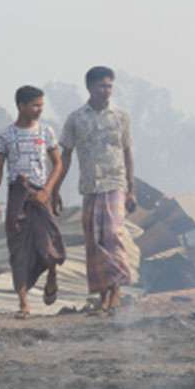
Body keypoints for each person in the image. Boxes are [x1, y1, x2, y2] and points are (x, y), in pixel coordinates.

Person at [51, 65, 135, 314]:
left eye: (109, 86)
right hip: (89, 187)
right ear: (89, 88)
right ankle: (103, 295)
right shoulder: (76, 118)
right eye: (101, 85)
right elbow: (64, 155)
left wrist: (132, 188)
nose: (106, 90)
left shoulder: (120, 117)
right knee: (94, 241)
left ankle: (116, 291)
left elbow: (128, 151)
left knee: (112, 235)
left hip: (115, 184)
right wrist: (54, 187)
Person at [0, 85, 66, 318]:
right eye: (34, 105)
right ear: (21, 106)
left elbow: (58, 164)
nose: (39, 110)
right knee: (18, 248)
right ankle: (23, 303)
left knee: (48, 241)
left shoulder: (46, 132)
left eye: (41, 106)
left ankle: (51, 273)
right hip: (17, 195)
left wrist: (48, 191)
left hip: (41, 194)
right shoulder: (5, 135)